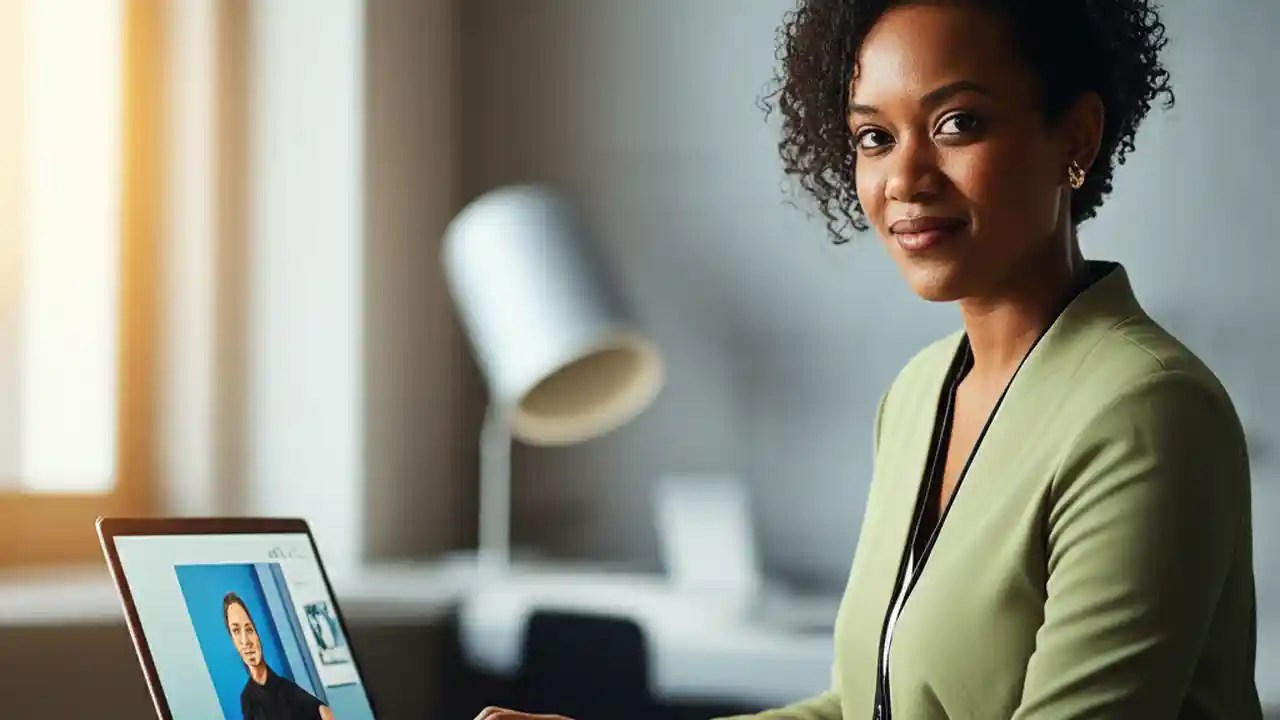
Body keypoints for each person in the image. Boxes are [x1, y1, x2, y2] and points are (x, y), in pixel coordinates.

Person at [476, 0, 1261, 718]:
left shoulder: (1146, 410)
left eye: (957, 123)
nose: (905, 180)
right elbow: (862, 705)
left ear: (1076, 138)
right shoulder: (919, 396)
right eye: (874, 138)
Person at [223, 592, 337, 720]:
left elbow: (323, 711)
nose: (245, 641)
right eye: (236, 631)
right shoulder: (247, 699)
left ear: (257, 634)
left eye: (249, 629)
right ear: (232, 640)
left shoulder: (286, 690)